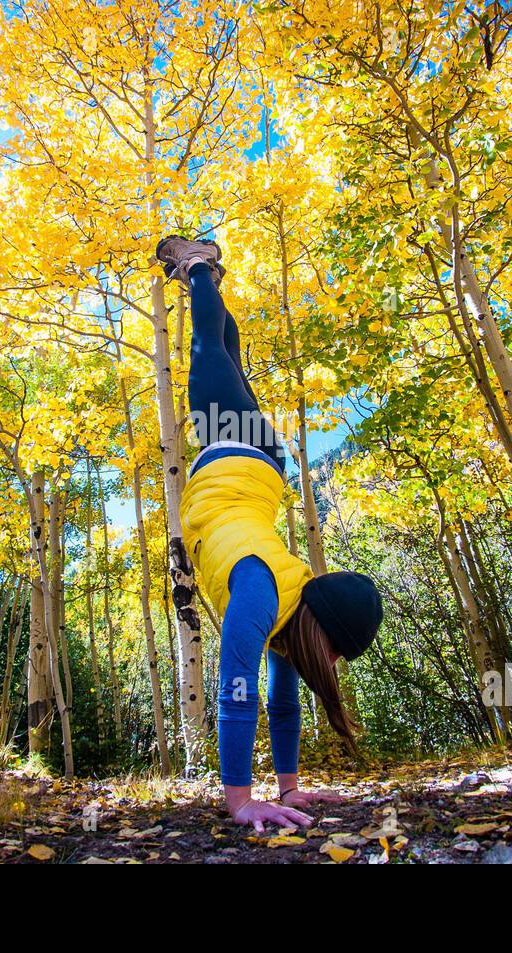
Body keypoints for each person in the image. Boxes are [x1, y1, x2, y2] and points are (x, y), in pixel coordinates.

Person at [155, 235, 384, 834]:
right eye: (337, 648)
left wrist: (289, 789)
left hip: (257, 465)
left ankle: (205, 280)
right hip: (236, 453)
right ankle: (199, 270)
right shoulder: (262, 591)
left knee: (222, 359)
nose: (331, 660)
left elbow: (281, 706)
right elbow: (236, 691)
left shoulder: (289, 615)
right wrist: (239, 801)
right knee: (207, 350)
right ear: (324, 625)